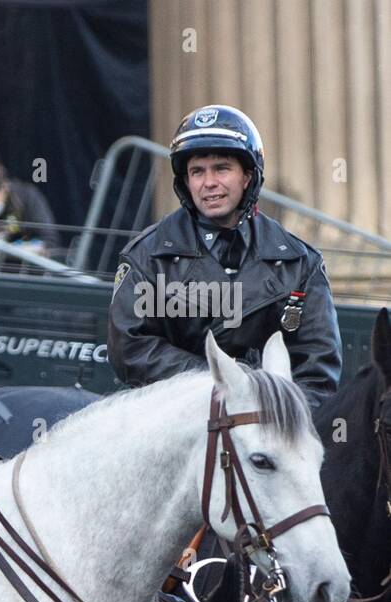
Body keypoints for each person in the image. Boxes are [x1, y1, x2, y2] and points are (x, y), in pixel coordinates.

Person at [108, 104, 341, 409]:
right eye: (197, 172)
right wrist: (225, 381)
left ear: (247, 176)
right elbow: (130, 348)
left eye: (221, 168)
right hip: (173, 420)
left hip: (268, 431)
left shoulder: (300, 263)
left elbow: (317, 374)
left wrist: (267, 414)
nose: (209, 183)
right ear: (185, 182)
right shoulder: (147, 255)